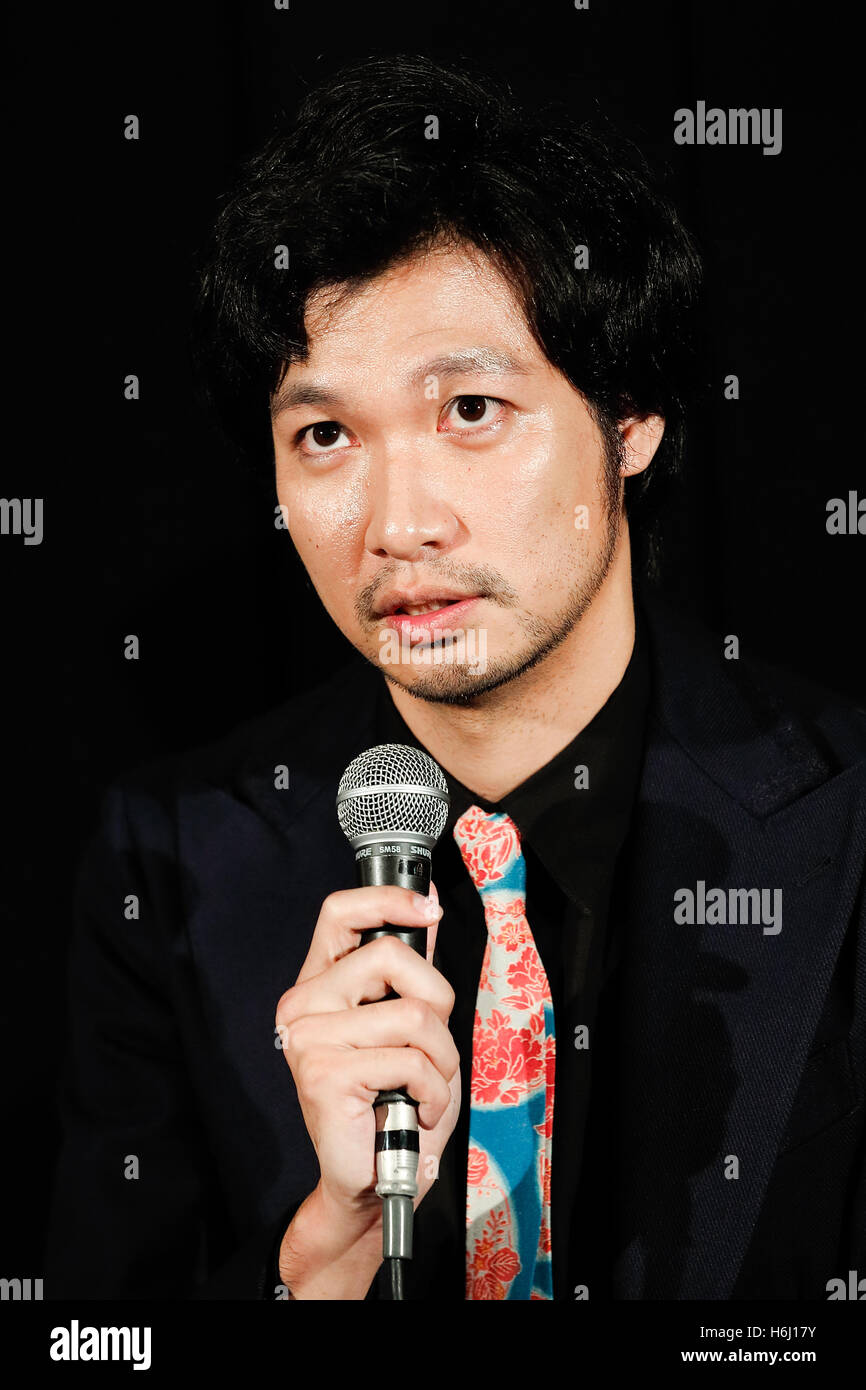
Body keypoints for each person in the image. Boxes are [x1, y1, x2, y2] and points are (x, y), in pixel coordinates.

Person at [46, 53, 865, 1301]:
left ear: (630, 414)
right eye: (324, 436)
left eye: (470, 409)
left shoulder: (849, 818)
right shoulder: (169, 855)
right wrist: (315, 1265)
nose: (397, 522)